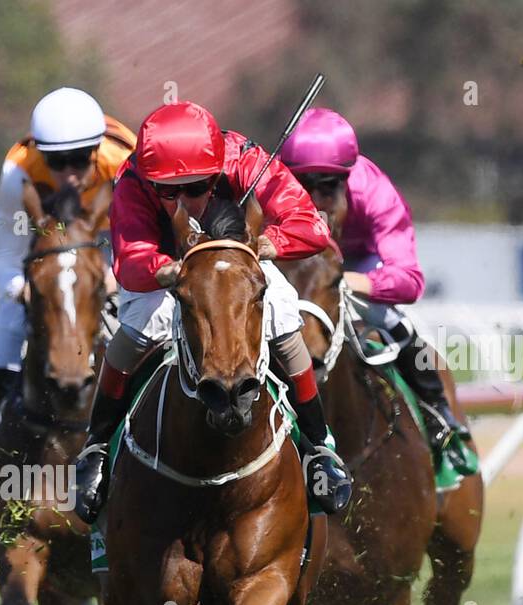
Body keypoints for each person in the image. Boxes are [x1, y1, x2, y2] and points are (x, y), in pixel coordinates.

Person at [71, 100, 352, 524]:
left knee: (282, 317)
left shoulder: (247, 159)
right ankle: (97, 444)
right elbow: (130, 258)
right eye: (168, 192)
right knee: (137, 330)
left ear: (217, 172)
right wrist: (169, 270)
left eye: (197, 188)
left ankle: (318, 445)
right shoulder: (133, 178)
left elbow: (311, 225)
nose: (183, 202)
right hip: (167, 272)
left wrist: (266, 245)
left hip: (238, 264)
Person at [278, 106, 475, 471]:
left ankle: (438, 415)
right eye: (304, 186)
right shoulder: (271, 188)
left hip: (358, 263)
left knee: (383, 316)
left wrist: (354, 282)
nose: (315, 201)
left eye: (328, 186)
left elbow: (410, 279)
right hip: (301, 263)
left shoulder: (374, 193)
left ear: (347, 179)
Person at [0, 87, 136, 473]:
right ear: (41, 155)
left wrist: (118, 280)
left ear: (96, 150)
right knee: (9, 322)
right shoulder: (18, 175)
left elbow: (145, 242)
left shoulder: (126, 166)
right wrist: (24, 291)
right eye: (57, 162)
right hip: (46, 262)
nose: (69, 175)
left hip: (115, 261)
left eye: (79, 160)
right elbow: (3, 259)